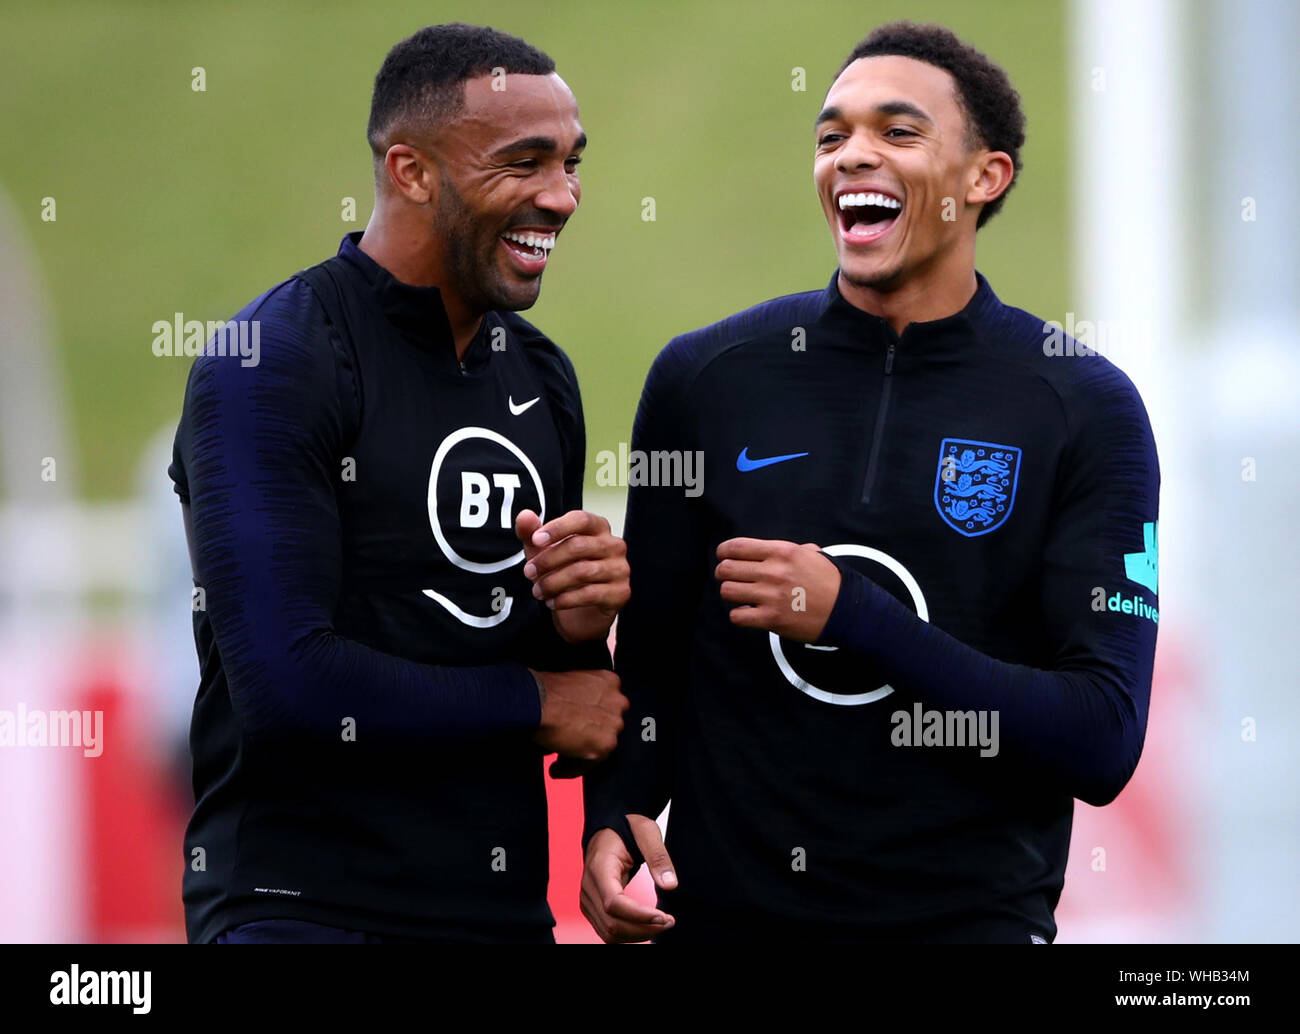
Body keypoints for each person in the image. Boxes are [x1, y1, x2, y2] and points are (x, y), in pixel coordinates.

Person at [581, 20, 1160, 944]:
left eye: (897, 133)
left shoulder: (1082, 407)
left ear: (985, 177)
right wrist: (615, 809)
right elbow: (652, 663)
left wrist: (855, 616)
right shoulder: (704, 381)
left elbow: (1099, 739)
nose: (852, 155)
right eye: (831, 136)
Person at [170, 23, 629, 945]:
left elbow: (544, 666)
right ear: (412, 170)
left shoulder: (541, 378)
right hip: (301, 916)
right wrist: (540, 704)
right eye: (525, 162)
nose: (563, 196)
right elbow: (291, 688)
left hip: (497, 917)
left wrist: (581, 622)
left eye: (573, 162)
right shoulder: (275, 361)